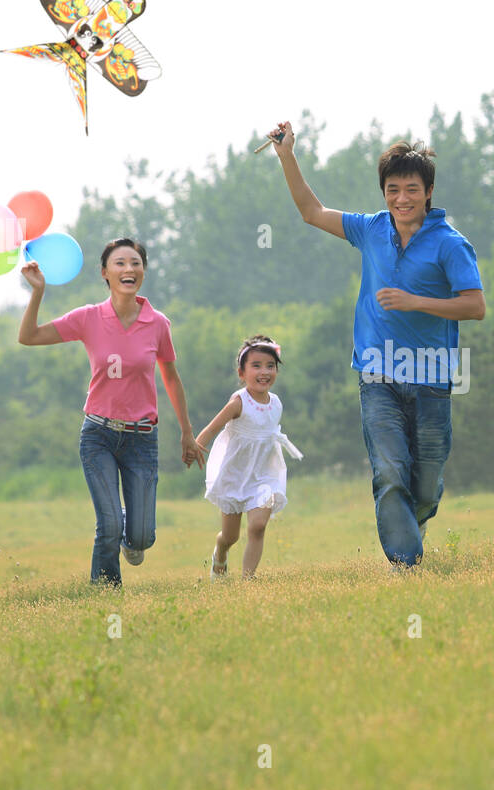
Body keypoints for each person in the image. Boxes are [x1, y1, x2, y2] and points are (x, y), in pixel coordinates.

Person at [266, 121, 485, 570]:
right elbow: (312, 211)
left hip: (433, 377)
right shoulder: (370, 230)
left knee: (424, 486)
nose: (400, 198)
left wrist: (415, 302)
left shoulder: (450, 245)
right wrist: (287, 156)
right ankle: (405, 564)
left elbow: (475, 306)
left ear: (428, 192)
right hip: (377, 376)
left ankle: (415, 524)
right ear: (383, 192)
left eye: (410, 189)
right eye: (391, 189)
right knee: (388, 472)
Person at [17, 238, 201, 586]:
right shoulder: (88, 318)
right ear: (105, 273)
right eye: (120, 263)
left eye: (135, 263)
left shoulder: (158, 323)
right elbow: (28, 337)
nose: (129, 269)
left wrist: (187, 432)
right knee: (109, 524)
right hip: (98, 434)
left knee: (142, 536)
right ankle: (104, 592)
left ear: (143, 271)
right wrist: (38, 292)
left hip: (142, 440)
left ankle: (134, 531)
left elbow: (172, 379)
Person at [194, 335, 303, 581]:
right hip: (235, 475)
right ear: (242, 373)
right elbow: (212, 428)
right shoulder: (238, 402)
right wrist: (195, 446)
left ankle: (248, 580)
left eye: (270, 366)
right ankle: (220, 552)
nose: (264, 372)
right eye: (256, 366)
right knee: (230, 536)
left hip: (264, 475)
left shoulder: (276, 403)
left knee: (258, 526)